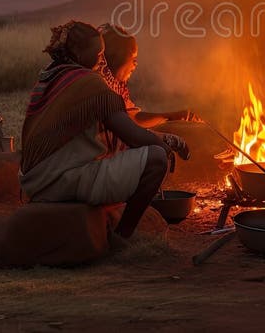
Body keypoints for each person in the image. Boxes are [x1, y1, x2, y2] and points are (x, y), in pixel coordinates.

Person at [19, 21, 190, 238]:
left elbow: (125, 127)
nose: (102, 59)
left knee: (140, 151)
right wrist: (163, 144)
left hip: (38, 178)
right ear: (79, 53)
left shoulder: (52, 75)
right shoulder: (89, 82)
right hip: (59, 180)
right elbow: (132, 134)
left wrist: (161, 135)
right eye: (99, 54)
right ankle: (122, 237)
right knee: (155, 159)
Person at [97, 23, 198, 128]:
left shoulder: (117, 88)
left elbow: (134, 116)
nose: (135, 63)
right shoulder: (99, 89)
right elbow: (130, 123)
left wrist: (173, 116)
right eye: (133, 58)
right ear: (118, 57)